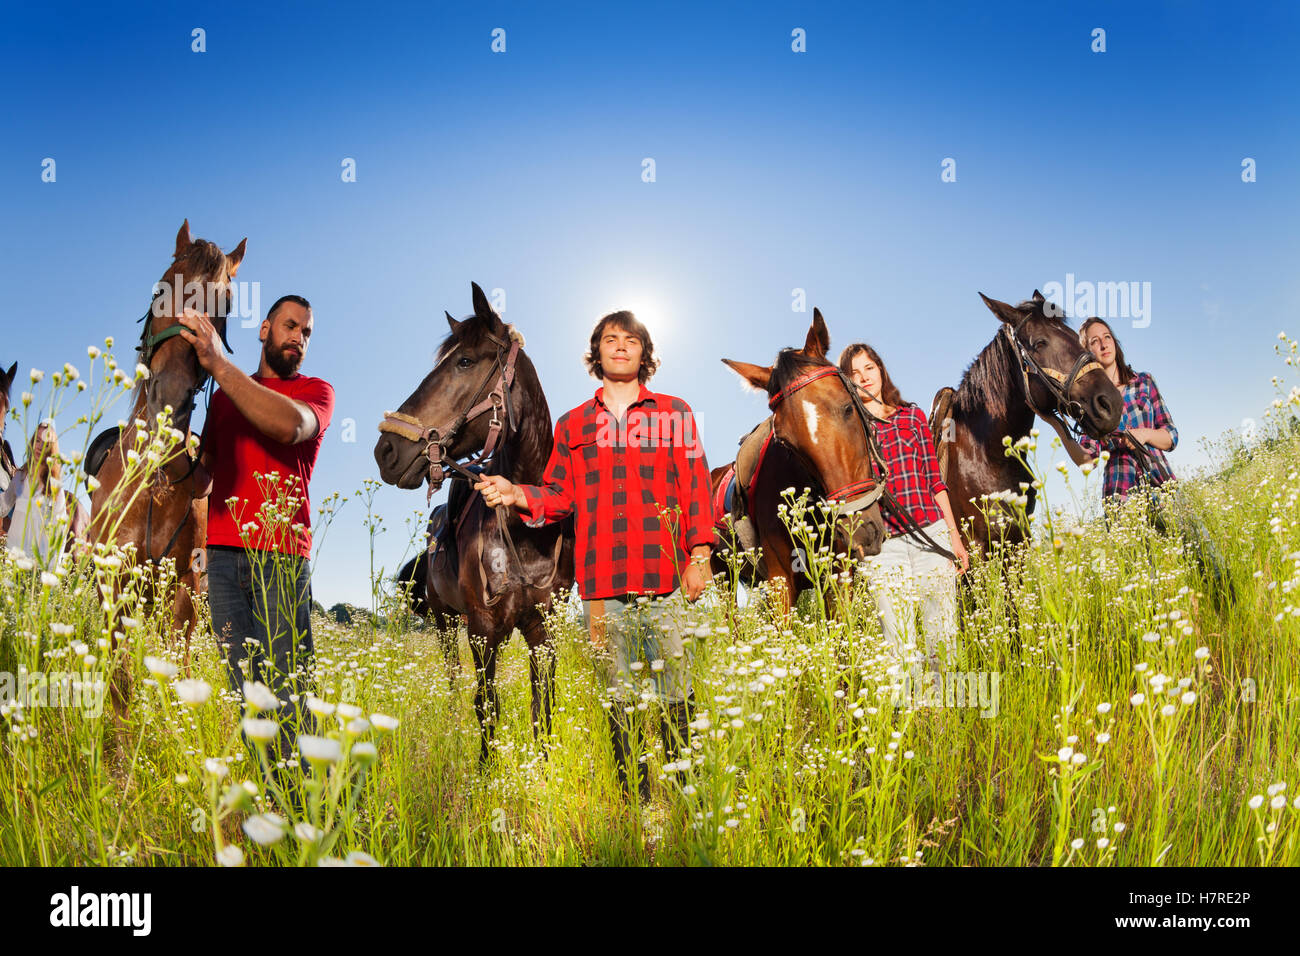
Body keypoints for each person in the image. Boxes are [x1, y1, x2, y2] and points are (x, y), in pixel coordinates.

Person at [474, 310, 715, 802]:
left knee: (675, 692)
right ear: (597, 352)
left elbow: (695, 486)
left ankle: (686, 797)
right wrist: (517, 492)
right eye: (610, 339)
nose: (620, 347)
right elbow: (559, 496)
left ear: (644, 353)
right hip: (602, 587)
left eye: (631, 340)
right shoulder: (574, 423)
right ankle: (636, 802)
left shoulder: (675, 413)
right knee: (618, 695)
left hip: (665, 575)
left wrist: (701, 554)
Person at [178, 295, 334, 782]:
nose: (299, 338)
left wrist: (218, 363)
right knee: (246, 693)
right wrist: (171, 458)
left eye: (306, 333)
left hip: (282, 559)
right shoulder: (222, 399)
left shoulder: (316, 391)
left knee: (289, 693)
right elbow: (204, 478)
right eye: (290, 326)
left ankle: (304, 805)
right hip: (222, 560)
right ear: (264, 328)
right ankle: (270, 800)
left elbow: (290, 427)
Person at [1075, 317, 1228, 598]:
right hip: (1120, 494)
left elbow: (1171, 436)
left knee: (1205, 553)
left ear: (1115, 342)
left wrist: (1143, 434)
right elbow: (1086, 458)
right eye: (1093, 341)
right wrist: (1059, 428)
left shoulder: (1143, 382)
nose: (1102, 344)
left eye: (1106, 336)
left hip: (1161, 480)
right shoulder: (1091, 403)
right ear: (1087, 353)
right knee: (1144, 584)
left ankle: (1227, 607)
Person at [839, 344, 969, 671]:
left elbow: (935, 482)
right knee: (897, 645)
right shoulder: (852, 430)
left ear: (881, 370)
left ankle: (942, 718)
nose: (864, 377)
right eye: (854, 373)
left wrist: (953, 537)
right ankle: (908, 717)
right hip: (886, 549)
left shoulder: (912, 416)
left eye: (869, 368)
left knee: (943, 638)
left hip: (931, 535)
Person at [0, 419, 88, 570]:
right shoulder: (20, 477)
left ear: (51, 449)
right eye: (38, 441)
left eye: (45, 443)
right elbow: (3, 507)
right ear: (32, 443)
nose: (40, 447)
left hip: (39, 566)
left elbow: (59, 533)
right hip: (14, 560)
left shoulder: (55, 488)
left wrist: (52, 570)